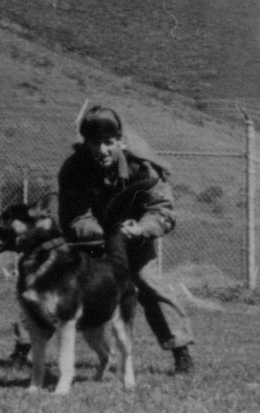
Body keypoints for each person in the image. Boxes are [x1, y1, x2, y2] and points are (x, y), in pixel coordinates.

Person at [54, 105, 195, 374]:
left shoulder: (144, 169)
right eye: (95, 144)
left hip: (135, 239)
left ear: (121, 141)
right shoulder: (74, 169)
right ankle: (24, 346)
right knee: (57, 283)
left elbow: (163, 211)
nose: (103, 151)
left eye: (109, 143)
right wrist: (105, 236)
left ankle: (181, 353)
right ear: (85, 143)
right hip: (91, 242)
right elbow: (74, 217)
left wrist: (140, 229)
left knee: (149, 283)